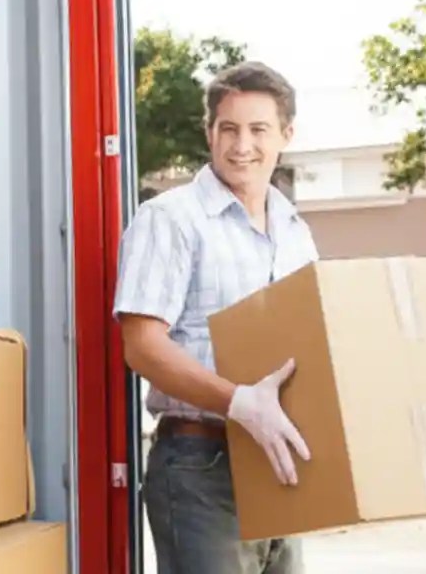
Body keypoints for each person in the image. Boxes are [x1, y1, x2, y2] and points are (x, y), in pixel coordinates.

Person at [113, 61, 319, 574]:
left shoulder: (295, 231)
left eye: (258, 129)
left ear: (286, 135)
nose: (241, 145)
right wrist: (239, 402)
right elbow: (142, 346)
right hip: (199, 464)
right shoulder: (170, 218)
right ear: (209, 133)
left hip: (278, 461)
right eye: (228, 128)